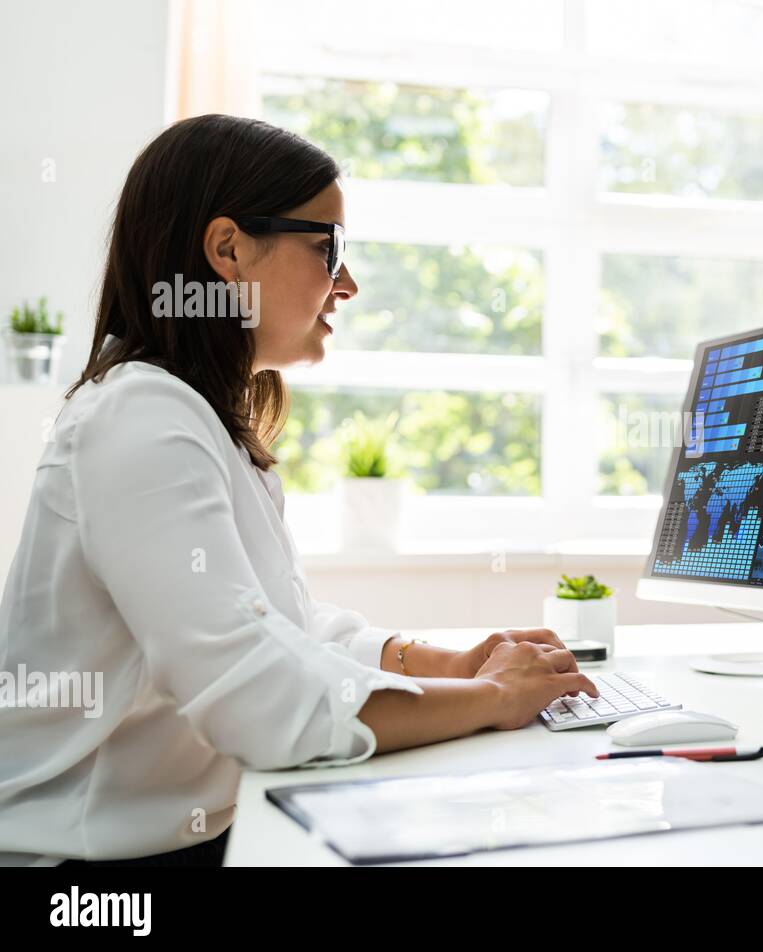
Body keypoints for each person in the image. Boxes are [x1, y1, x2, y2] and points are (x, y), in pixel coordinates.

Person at [0, 114, 598, 867]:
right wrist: (496, 700)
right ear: (228, 250)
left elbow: (287, 630)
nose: (346, 283)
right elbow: (258, 700)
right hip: (83, 872)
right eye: (328, 248)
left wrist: (453, 662)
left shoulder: (194, 418)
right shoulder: (139, 417)